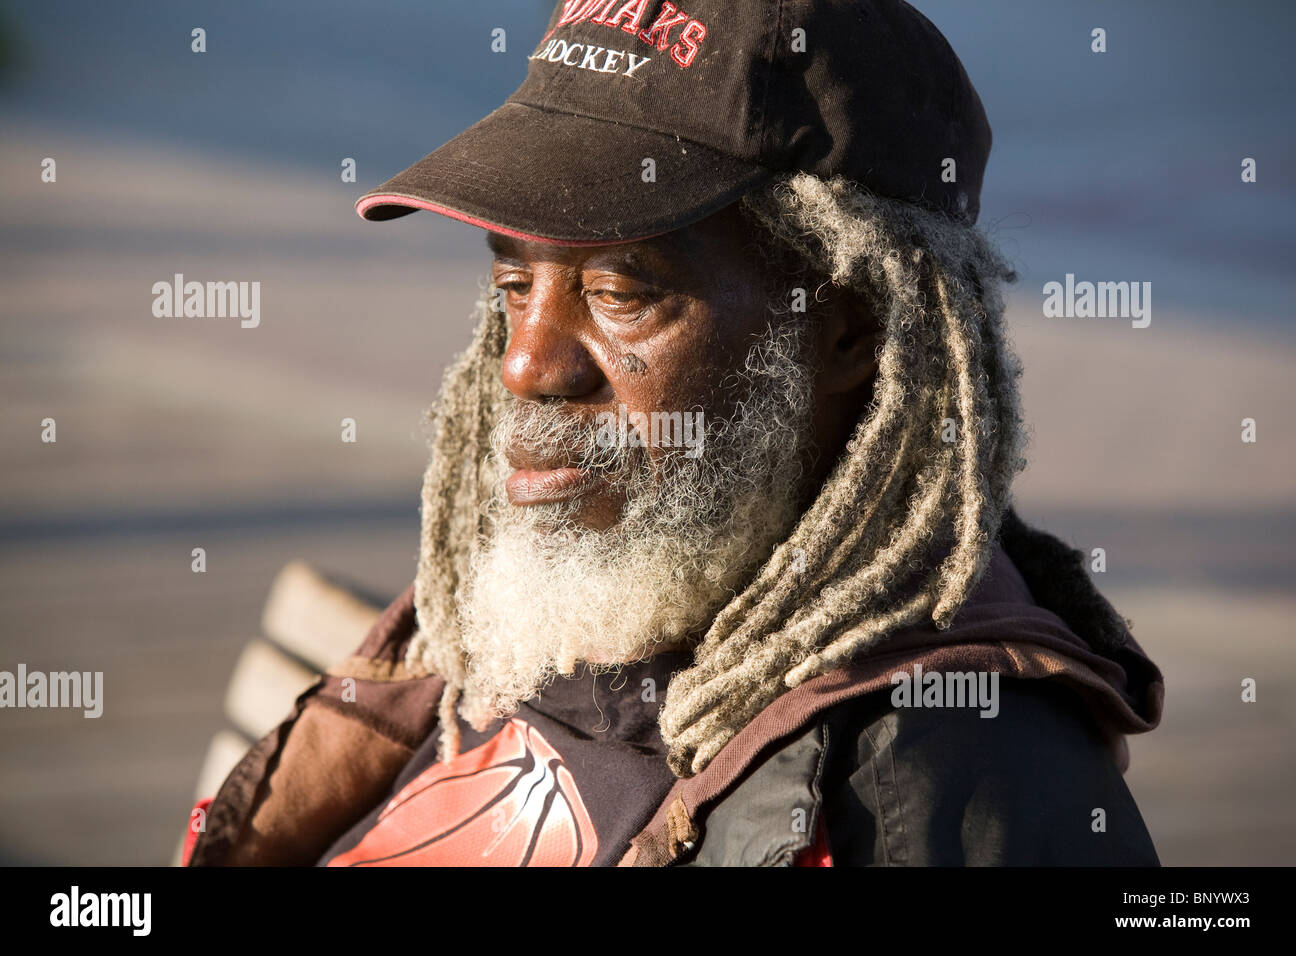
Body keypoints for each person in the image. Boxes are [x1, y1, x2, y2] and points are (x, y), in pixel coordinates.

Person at [185, 0, 1163, 867]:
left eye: (619, 291)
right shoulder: (523, 609)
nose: (526, 364)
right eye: (513, 283)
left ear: (852, 330)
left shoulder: (941, 776)